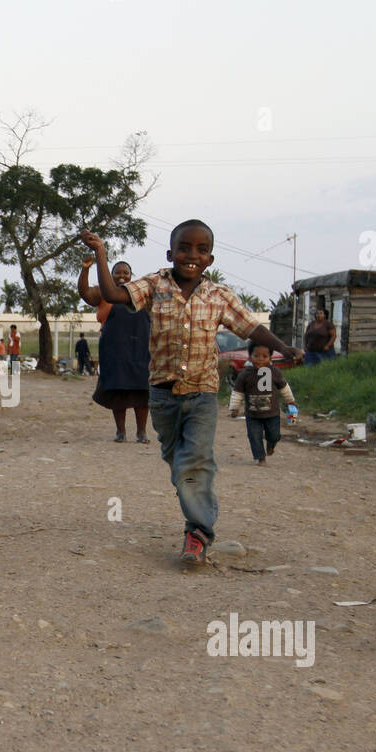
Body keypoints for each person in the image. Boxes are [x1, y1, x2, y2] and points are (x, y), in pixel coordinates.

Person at [81, 222, 302, 567]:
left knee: (195, 462)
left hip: (201, 394)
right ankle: (196, 506)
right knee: (176, 461)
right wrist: (100, 254)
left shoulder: (219, 296)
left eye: (201, 250)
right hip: (162, 396)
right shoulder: (155, 285)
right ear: (171, 254)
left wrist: (282, 347)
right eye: (184, 248)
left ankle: (197, 533)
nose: (192, 256)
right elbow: (112, 294)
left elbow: (251, 326)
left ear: (210, 259)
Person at [77, 254, 150, 443]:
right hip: (114, 352)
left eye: (126, 273)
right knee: (118, 392)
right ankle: (121, 432)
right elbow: (85, 293)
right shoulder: (103, 293)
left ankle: (142, 432)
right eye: (117, 273)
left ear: (131, 275)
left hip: (140, 350)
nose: (122, 276)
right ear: (111, 275)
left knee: (142, 392)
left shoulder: (140, 294)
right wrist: (85, 268)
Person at [229, 340, 296, 465]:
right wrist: (234, 408)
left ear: (270, 357)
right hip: (253, 415)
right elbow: (237, 392)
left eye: (264, 356)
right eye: (256, 356)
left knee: (275, 435)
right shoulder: (245, 374)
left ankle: (271, 445)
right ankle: (260, 457)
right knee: (254, 436)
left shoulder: (275, 372)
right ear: (250, 356)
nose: (260, 359)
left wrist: (290, 401)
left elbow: (284, 387)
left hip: (272, 413)